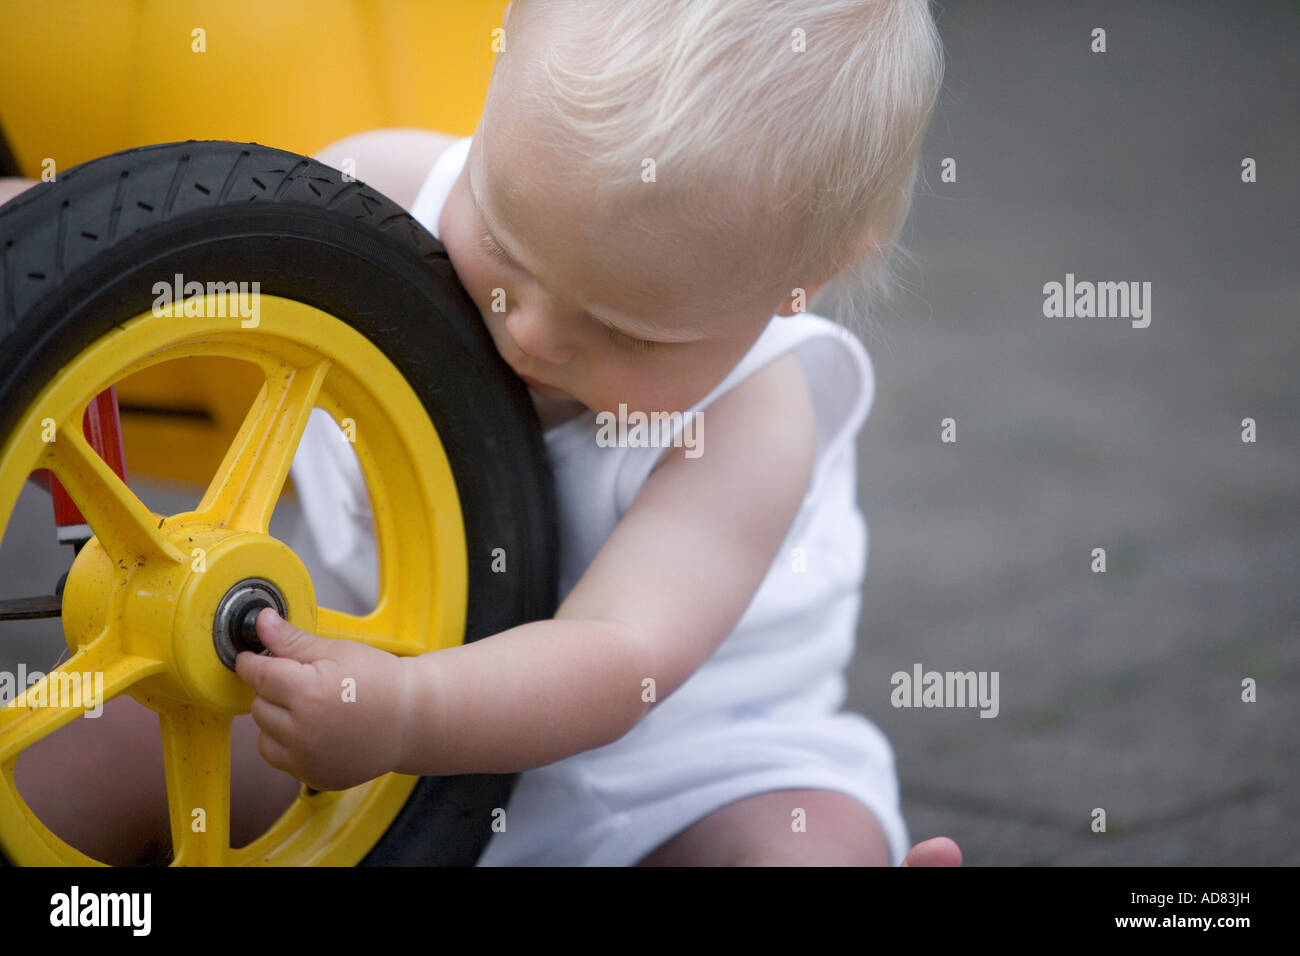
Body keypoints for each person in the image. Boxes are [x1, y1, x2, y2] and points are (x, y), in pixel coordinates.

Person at [255, 0, 959, 866]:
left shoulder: (754, 416)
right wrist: (45, 245)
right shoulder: (376, 193)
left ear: (797, 286)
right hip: (345, 703)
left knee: (803, 831)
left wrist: (409, 711)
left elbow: (622, 654)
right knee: (116, 744)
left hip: (675, 774)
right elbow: (162, 245)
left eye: (625, 331)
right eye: (505, 247)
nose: (535, 333)